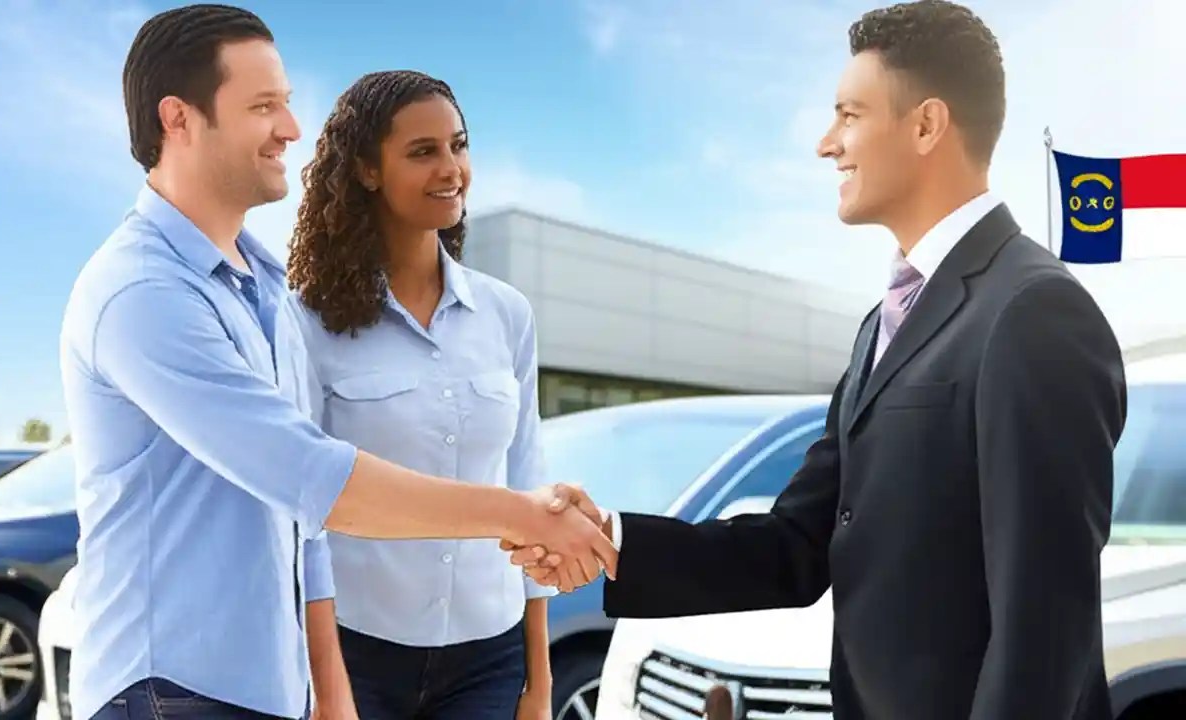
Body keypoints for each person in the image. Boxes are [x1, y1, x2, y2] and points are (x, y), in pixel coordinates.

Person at [510, 2, 1127, 719]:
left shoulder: (1034, 313)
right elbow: (794, 547)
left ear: (926, 125)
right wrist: (610, 539)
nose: (826, 144)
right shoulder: (885, 323)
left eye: (849, 115)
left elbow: (1043, 628)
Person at [59, 6, 613, 720]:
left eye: (287, 104)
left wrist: (327, 695)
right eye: (264, 106)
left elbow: (303, 528)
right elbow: (314, 478)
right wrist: (525, 517)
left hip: (267, 690)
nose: (290, 128)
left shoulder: (259, 289)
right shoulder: (144, 294)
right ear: (179, 119)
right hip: (169, 693)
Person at [273, 69, 558, 720]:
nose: (451, 168)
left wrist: (537, 683)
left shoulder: (507, 315)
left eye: (458, 146)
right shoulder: (305, 323)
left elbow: (528, 484)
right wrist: (327, 688)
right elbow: (303, 515)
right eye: (423, 151)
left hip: (491, 657)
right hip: (357, 655)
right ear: (368, 170)